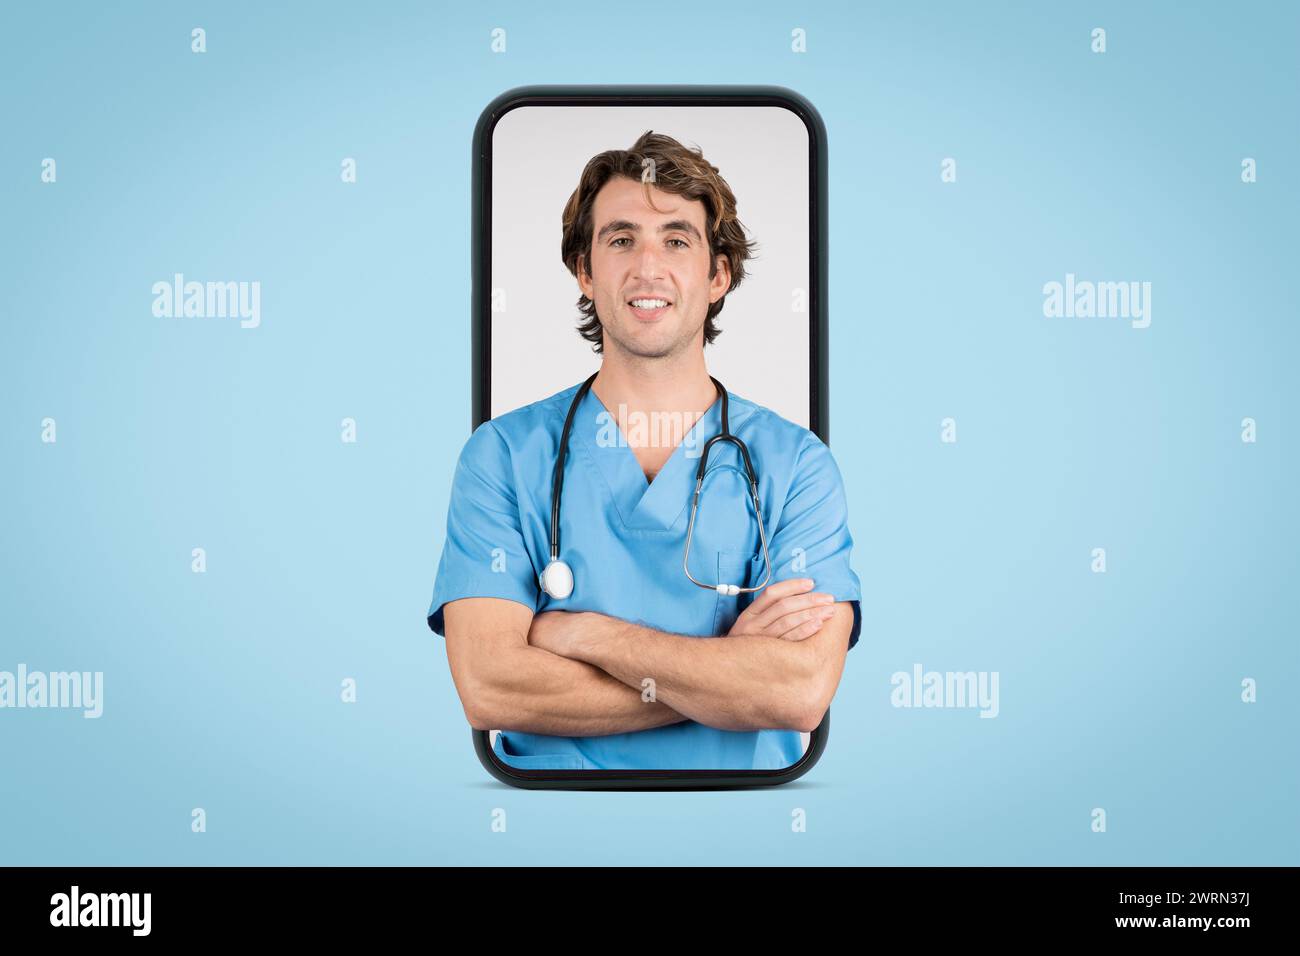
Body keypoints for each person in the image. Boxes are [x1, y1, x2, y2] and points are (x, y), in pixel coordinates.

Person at [426, 130, 861, 770]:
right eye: (621, 239)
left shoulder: (796, 466)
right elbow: (490, 686)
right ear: (586, 271)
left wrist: (584, 632)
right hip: (551, 823)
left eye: (677, 241)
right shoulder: (501, 457)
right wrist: (729, 674)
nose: (647, 268)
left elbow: (797, 691)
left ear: (717, 275)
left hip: (747, 827)